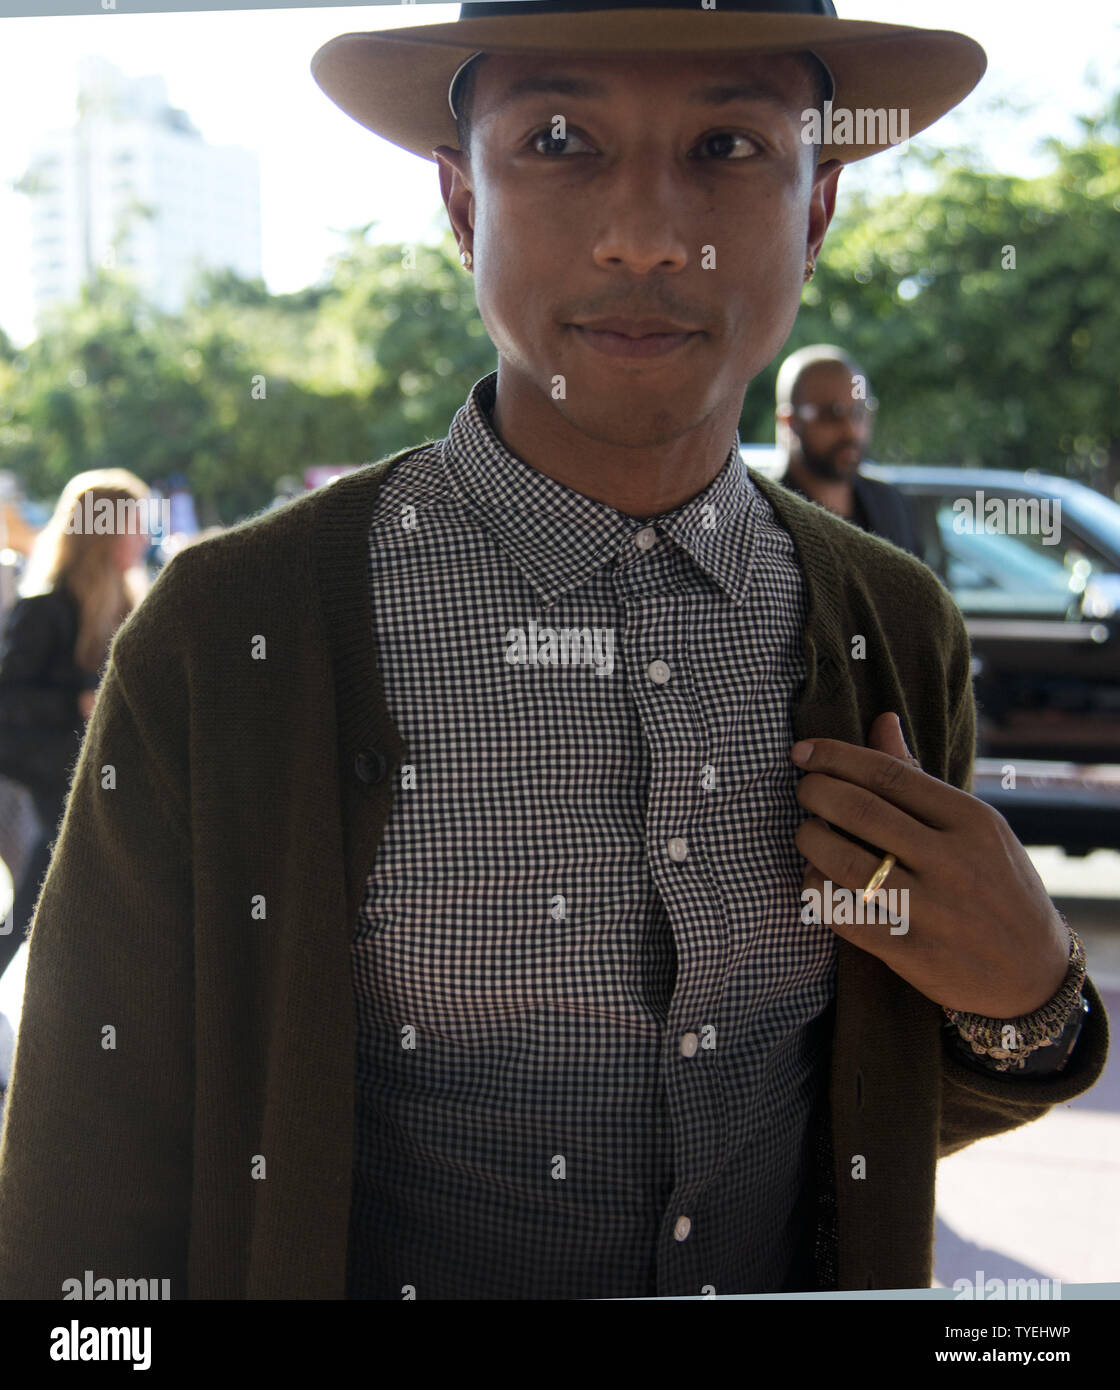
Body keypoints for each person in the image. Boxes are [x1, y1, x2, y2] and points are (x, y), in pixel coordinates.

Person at [0, 0, 1108, 1302]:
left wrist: (1032, 1001)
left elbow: (857, 1120)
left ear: (817, 209)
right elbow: (89, 1162)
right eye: (562, 137)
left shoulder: (892, 625)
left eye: (729, 148)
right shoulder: (232, 630)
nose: (645, 233)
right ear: (462, 201)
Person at [0, 470, 151, 990]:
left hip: (108, 767)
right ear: (101, 531)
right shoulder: (46, 606)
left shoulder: (135, 601)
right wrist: (79, 701)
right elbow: (9, 700)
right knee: (51, 869)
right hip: (53, 763)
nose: (143, 535)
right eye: (134, 522)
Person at [776, 343, 921, 554]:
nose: (851, 431)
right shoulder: (764, 514)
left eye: (859, 412)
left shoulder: (892, 506)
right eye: (831, 414)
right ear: (790, 422)